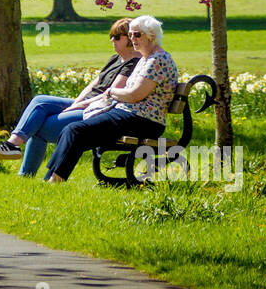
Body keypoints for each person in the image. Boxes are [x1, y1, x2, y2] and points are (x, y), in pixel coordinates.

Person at [0, 18, 141, 176]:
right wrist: (76, 103)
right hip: (85, 104)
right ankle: (12, 145)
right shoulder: (115, 59)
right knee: (40, 101)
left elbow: (108, 96)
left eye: (117, 37)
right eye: (111, 36)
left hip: (98, 110)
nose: (112, 40)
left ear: (130, 38)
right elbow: (92, 86)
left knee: (40, 127)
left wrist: (78, 107)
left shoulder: (133, 63)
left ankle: (36, 177)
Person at [42, 15, 178, 183]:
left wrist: (112, 92)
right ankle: (52, 178)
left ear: (151, 36)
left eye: (137, 35)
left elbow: (135, 95)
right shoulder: (146, 58)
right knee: (72, 130)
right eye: (130, 35)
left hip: (142, 121)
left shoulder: (158, 60)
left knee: (75, 131)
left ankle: (54, 180)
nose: (132, 39)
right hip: (129, 115)